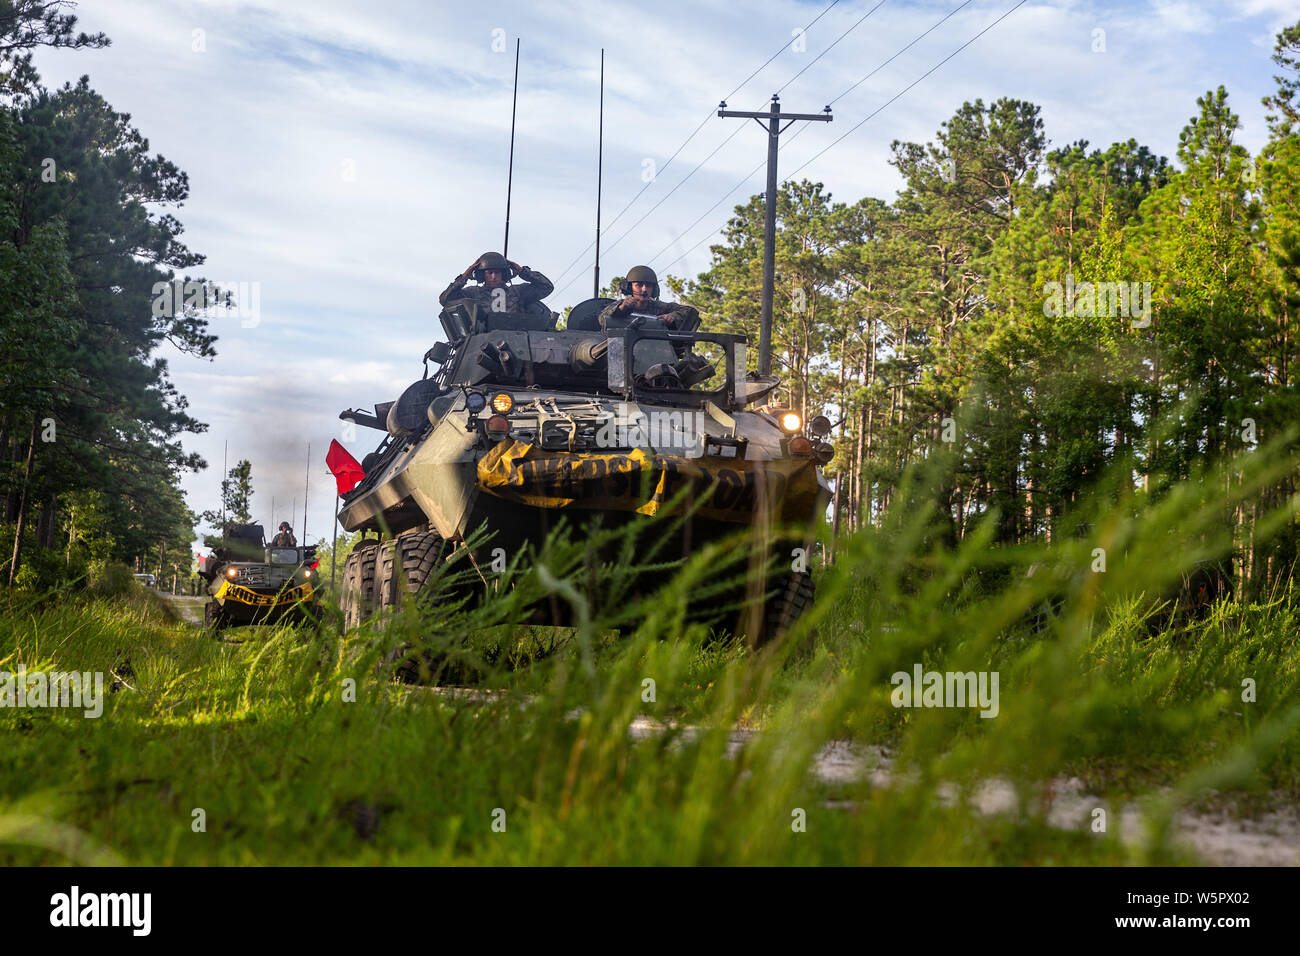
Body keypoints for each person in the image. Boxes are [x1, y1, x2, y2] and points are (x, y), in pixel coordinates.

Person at [439, 251, 553, 314]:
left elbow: (546, 287)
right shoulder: (473, 293)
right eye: (490, 273)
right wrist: (464, 277)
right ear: (482, 274)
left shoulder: (517, 292)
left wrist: (522, 271)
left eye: (497, 272)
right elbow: (445, 300)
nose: (493, 277)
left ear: (504, 274)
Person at [597, 265, 699, 330]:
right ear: (629, 287)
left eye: (649, 285)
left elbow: (690, 311)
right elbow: (602, 319)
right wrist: (622, 308)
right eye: (639, 285)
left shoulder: (660, 307)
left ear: (654, 289)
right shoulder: (620, 305)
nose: (644, 289)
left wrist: (672, 316)